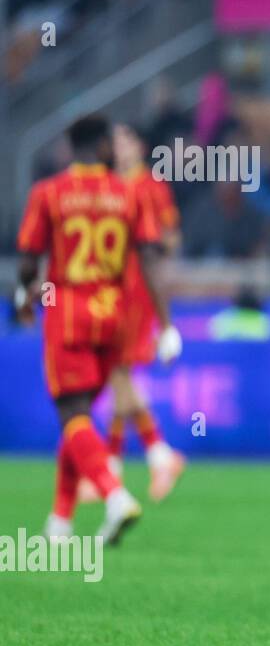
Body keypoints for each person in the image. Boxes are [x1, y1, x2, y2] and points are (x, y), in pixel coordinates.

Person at [14, 114, 182, 543]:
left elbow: (30, 259)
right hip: (113, 317)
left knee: (73, 417)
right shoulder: (128, 195)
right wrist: (165, 325)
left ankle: (113, 493)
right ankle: (60, 520)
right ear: (104, 146)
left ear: (71, 148)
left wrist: (23, 296)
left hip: (67, 314)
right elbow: (149, 258)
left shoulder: (49, 193)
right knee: (81, 420)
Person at [75, 123, 186, 503]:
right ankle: (143, 459)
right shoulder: (106, 187)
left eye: (126, 140)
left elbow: (170, 239)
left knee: (119, 371)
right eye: (114, 142)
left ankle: (124, 464)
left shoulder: (151, 187)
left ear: (139, 146)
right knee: (118, 376)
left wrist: (151, 253)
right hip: (107, 292)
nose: (119, 148)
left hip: (137, 294)